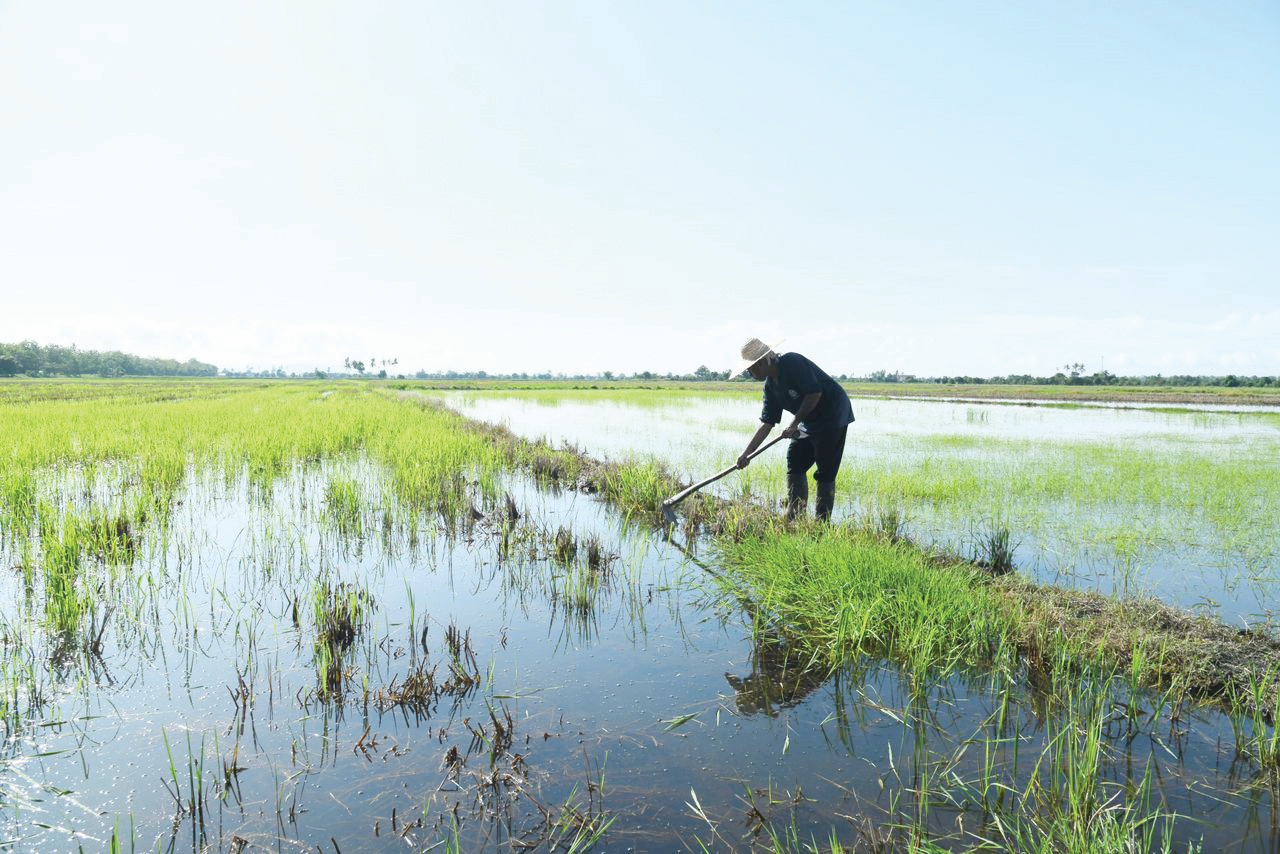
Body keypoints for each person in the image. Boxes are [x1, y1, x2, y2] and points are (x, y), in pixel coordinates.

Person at [731, 338, 854, 521]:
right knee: (795, 461)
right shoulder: (771, 386)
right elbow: (767, 422)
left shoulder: (792, 362)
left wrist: (794, 423)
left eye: (753, 367)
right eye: (748, 370)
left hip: (832, 415)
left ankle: (821, 523)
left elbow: (814, 393)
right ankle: (794, 517)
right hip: (807, 420)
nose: (751, 373)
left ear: (766, 360)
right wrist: (746, 454)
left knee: (825, 471)